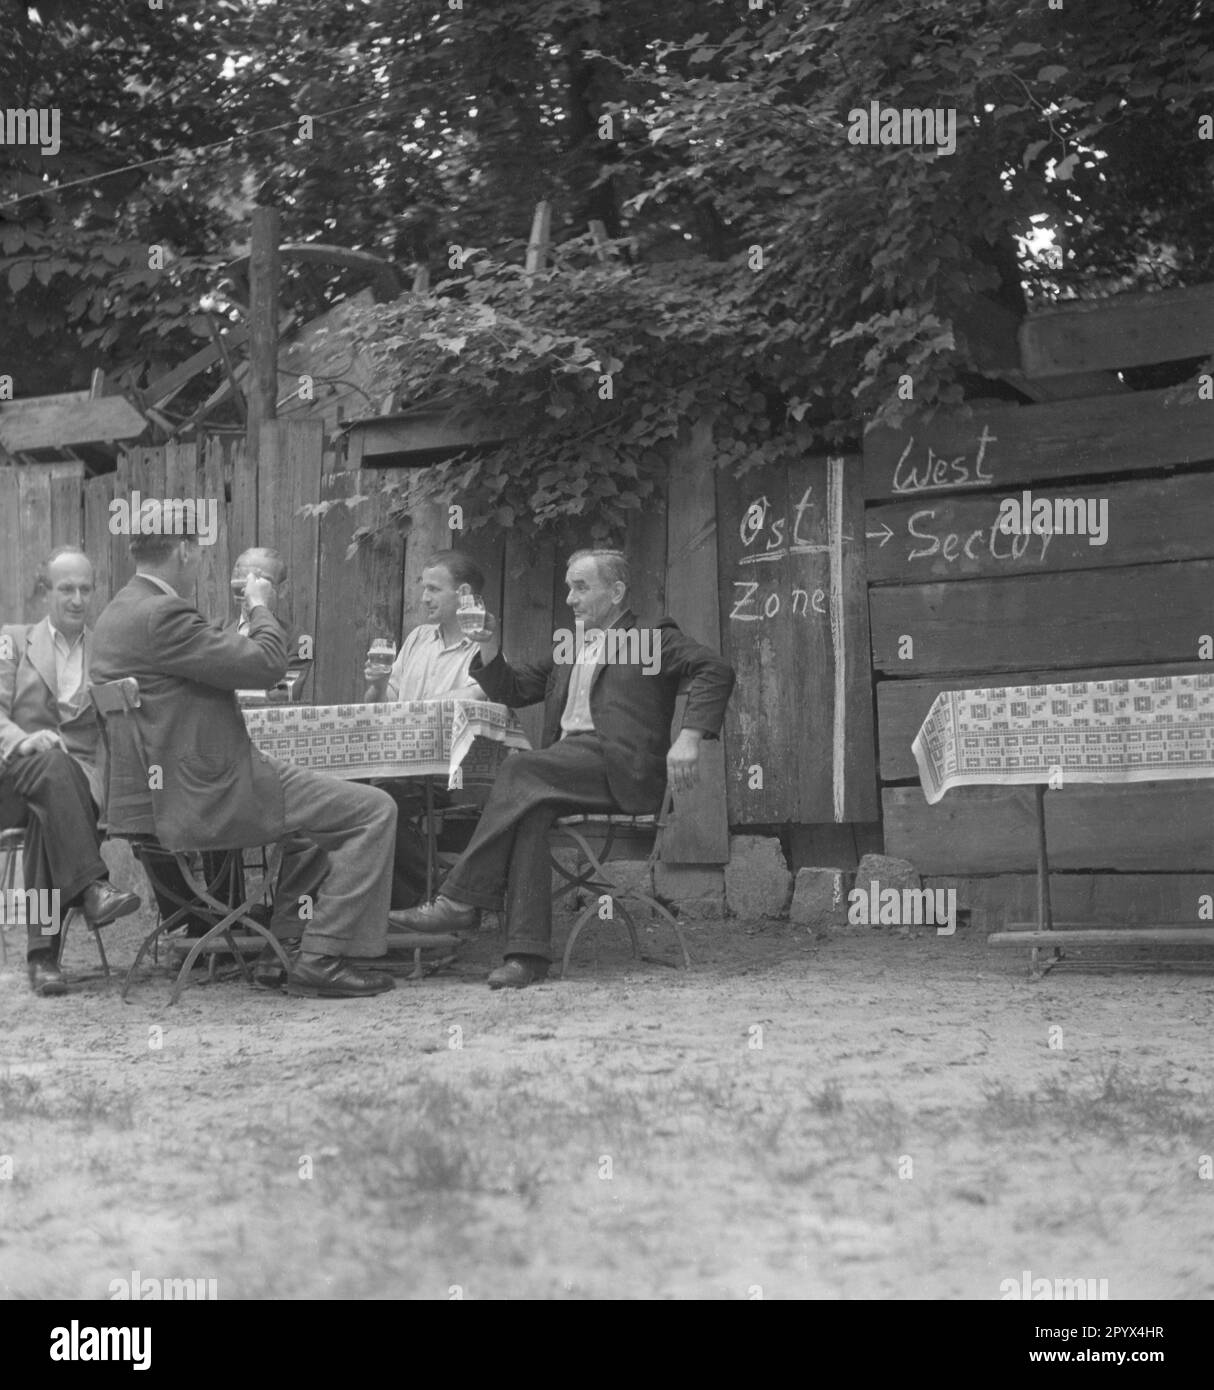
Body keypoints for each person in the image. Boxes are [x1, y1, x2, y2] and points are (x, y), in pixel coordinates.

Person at [393, 548, 735, 988]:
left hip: (619, 770)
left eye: (581, 587)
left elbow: (715, 669)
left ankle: (459, 900)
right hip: (567, 769)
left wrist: (689, 738)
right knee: (531, 812)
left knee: (520, 770)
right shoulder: (570, 644)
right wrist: (488, 645)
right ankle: (527, 958)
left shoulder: (646, 639)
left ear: (616, 592)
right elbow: (513, 689)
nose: (570, 599)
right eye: (568, 588)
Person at [89, 517, 398, 998]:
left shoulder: (114, 616)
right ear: (186, 552)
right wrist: (259, 605)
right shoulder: (162, 614)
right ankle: (321, 955)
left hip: (155, 796)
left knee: (314, 827)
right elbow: (266, 666)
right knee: (375, 810)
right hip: (211, 791)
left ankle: (290, 942)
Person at [0, 546, 140, 996]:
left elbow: (120, 725)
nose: (77, 599)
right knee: (49, 768)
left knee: (51, 807)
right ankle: (93, 885)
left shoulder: (107, 652)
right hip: (12, 775)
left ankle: (43, 960)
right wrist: (22, 740)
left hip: (73, 782)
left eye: (85, 589)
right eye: (66, 589)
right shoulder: (14, 641)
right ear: (46, 593)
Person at [363, 552, 486, 909]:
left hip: (451, 773)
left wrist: (413, 711)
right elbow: (382, 707)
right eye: (423, 588)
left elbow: (471, 700)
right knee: (340, 791)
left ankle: (419, 907)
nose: (423, 598)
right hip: (398, 764)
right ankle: (361, 909)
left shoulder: (484, 650)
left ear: (463, 593)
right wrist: (379, 683)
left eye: (433, 589)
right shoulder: (417, 638)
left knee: (384, 800)